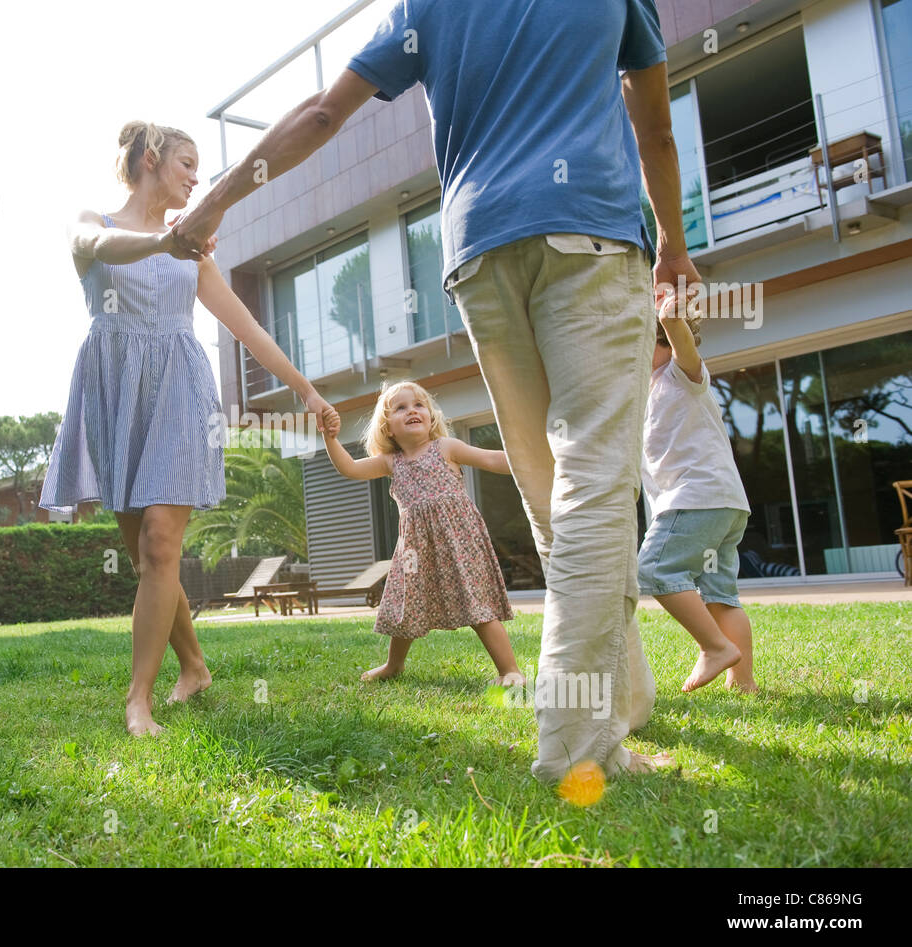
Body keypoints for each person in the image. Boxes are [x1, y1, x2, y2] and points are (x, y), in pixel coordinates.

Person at [170, 0, 694, 782]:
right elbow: (652, 125)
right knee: (591, 482)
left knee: (554, 493)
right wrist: (675, 247)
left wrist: (213, 201)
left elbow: (321, 112)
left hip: (480, 249)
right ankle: (579, 745)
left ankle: (621, 690)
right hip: (589, 227)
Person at [41, 121, 339, 737]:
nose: (195, 178)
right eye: (186, 163)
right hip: (113, 389)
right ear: (151, 159)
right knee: (148, 554)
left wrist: (305, 389)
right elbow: (100, 247)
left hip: (181, 389)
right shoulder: (94, 219)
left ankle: (138, 699)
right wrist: (167, 244)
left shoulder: (194, 249)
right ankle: (195, 668)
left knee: (158, 545)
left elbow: (246, 326)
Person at [323, 380, 524, 686]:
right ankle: (394, 665)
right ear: (388, 427)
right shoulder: (392, 463)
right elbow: (350, 468)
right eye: (401, 408)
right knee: (406, 608)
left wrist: (530, 460)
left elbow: (491, 459)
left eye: (419, 405)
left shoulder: (446, 448)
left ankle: (510, 670)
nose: (412, 411)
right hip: (415, 551)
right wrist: (330, 437)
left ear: (431, 417)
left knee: (478, 605)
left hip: (459, 543)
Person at [640, 296, 758, 693]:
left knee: (655, 569)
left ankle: (714, 647)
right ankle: (743, 684)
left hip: (697, 500)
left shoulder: (681, 373)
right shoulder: (644, 395)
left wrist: (668, 317)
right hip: (721, 503)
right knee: (721, 595)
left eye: (641, 346)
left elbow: (681, 343)